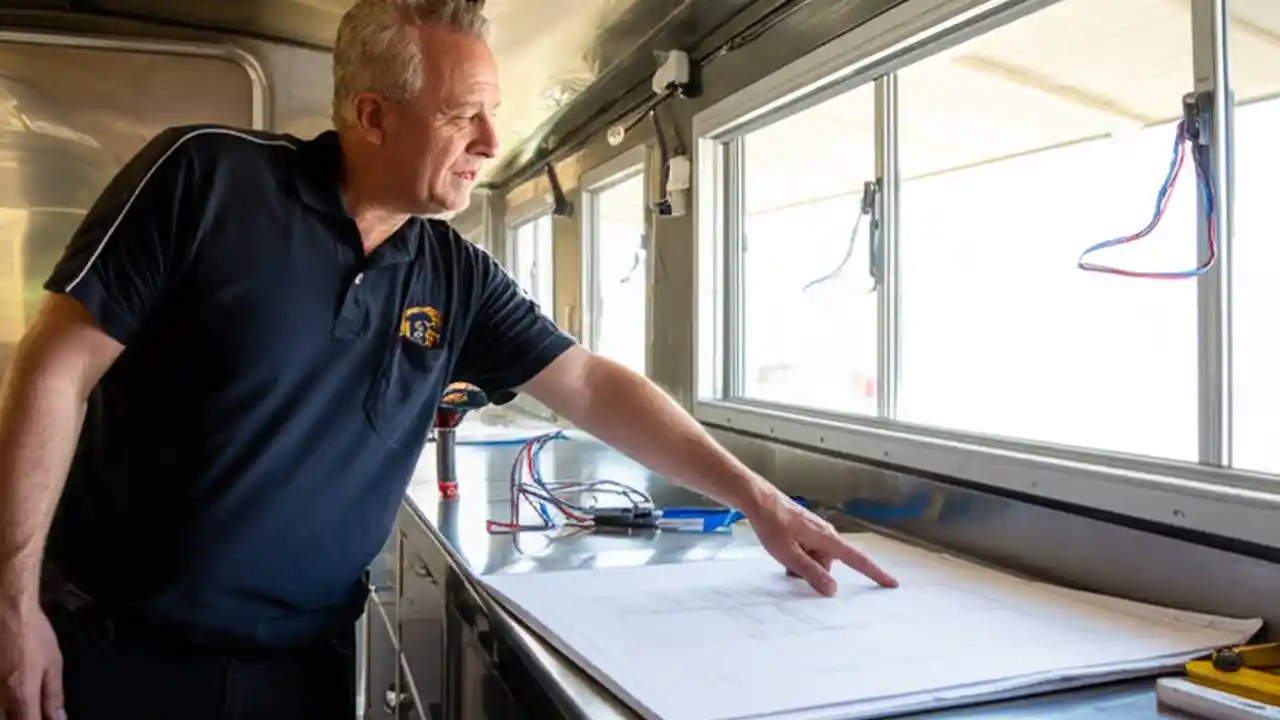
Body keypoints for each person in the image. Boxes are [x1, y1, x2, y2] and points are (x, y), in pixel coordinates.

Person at [0, 0, 897, 718]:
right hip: (118, 655)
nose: (489, 143)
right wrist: (12, 602)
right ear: (372, 115)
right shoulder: (207, 178)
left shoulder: (452, 272)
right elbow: (54, 369)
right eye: (463, 115)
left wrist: (760, 499)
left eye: (491, 114)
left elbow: (588, 383)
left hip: (306, 668)